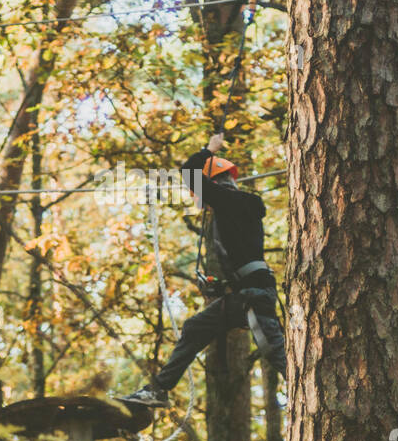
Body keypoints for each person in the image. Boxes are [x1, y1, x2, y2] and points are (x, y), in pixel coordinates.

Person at [118, 131, 286, 408]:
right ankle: (158, 390)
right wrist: (222, 286)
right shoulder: (235, 209)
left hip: (253, 296)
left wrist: (209, 150)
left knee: (277, 352)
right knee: (196, 328)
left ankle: (313, 390)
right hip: (248, 293)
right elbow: (245, 257)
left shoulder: (231, 202)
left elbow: (189, 172)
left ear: (214, 183)